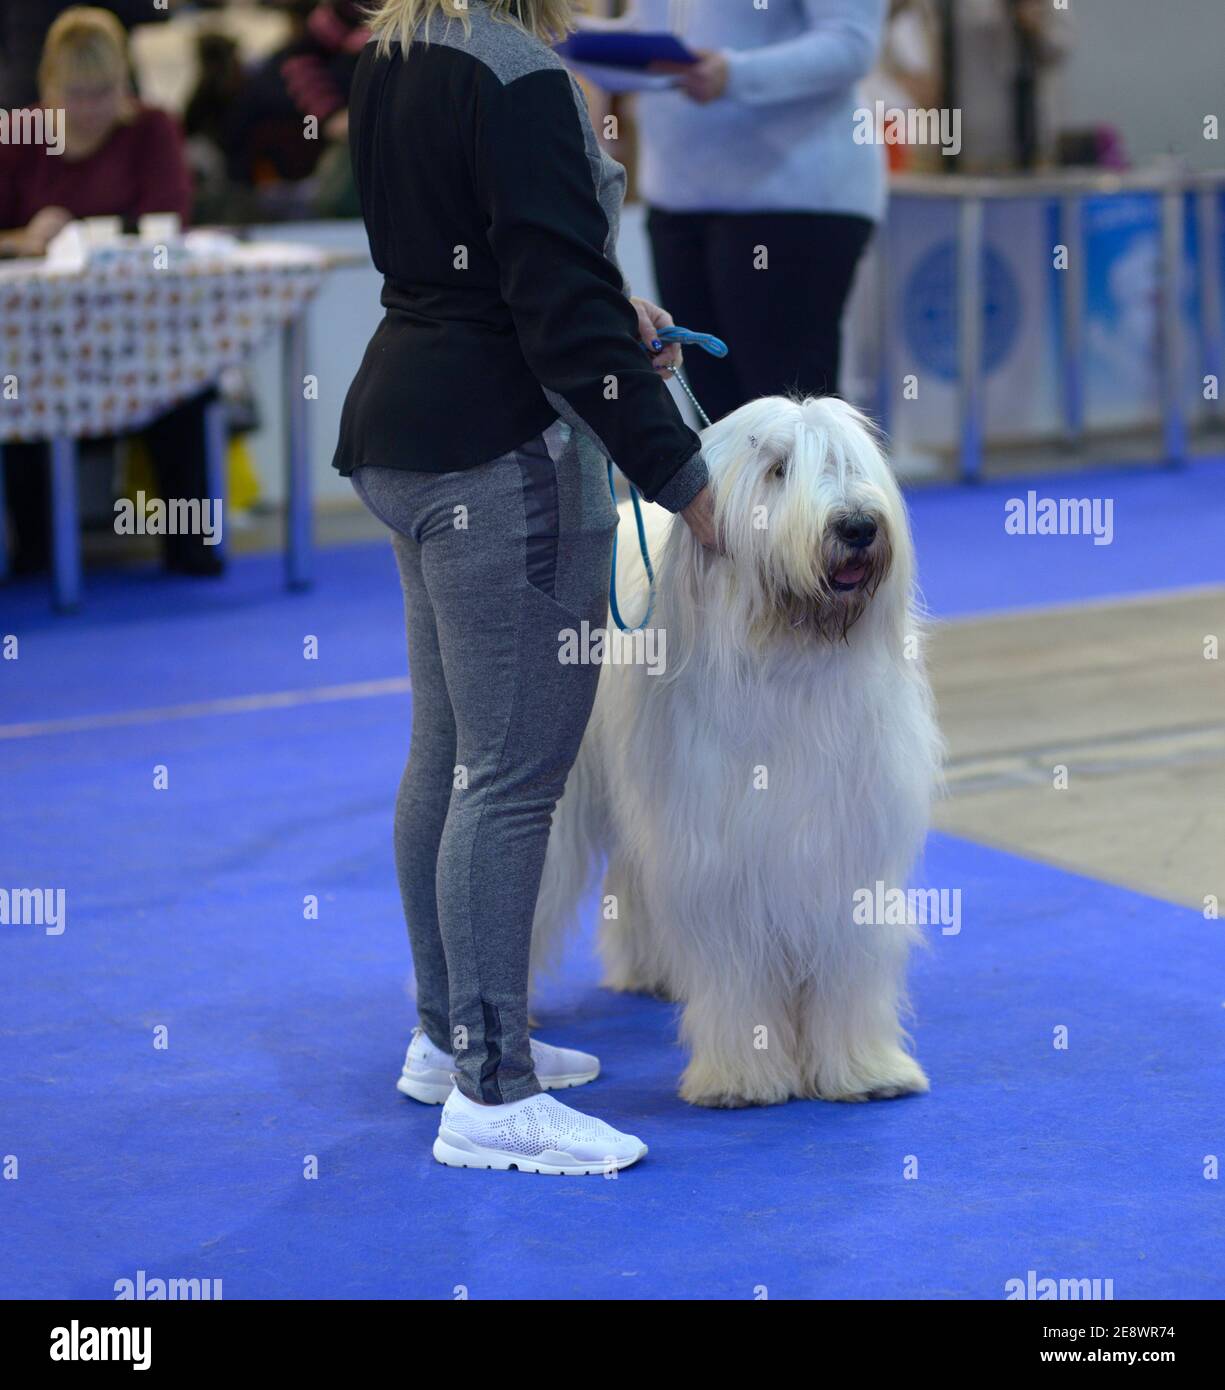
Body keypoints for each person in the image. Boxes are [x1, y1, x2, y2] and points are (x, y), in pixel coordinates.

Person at [335, 0, 717, 1175]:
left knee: (448, 751)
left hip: (403, 430)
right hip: (502, 459)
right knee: (510, 776)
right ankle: (491, 1095)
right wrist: (691, 483)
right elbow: (559, 320)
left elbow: (509, 270)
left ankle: (446, 1036)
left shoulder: (392, 57)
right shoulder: (522, 78)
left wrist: (612, 310)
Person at [0, 6, 222, 578]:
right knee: (16, 390)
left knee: (186, 379)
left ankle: (189, 543)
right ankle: (36, 551)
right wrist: (23, 238)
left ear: (122, 84)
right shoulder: (16, 137)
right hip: (37, 343)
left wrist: (85, 237)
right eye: (76, 93)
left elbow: (169, 218)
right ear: (48, 85)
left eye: (103, 92)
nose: (90, 109)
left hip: (140, 331)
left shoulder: (151, 128)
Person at [627, 0, 886, 422]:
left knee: (792, 428)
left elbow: (851, 42)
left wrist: (735, 73)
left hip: (792, 200)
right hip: (679, 197)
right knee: (722, 430)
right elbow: (660, 31)